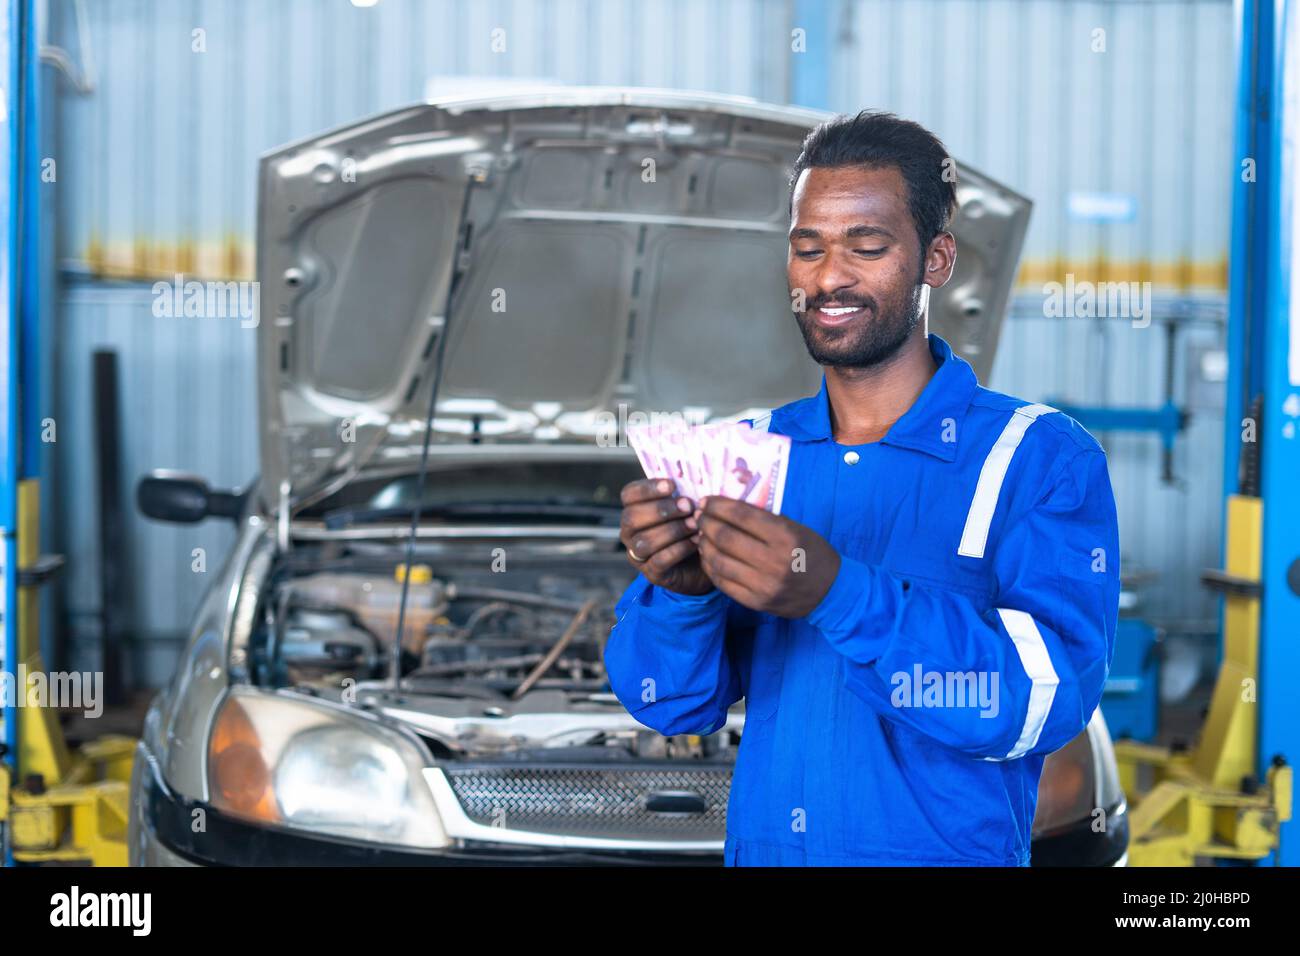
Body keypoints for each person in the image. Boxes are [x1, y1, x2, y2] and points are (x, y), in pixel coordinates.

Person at [603, 110, 1121, 866]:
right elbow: (668, 702)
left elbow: (1044, 699)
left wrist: (837, 593)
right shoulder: (749, 455)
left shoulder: (1037, 457)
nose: (829, 277)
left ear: (936, 259)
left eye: (867, 247)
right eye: (806, 249)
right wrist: (682, 595)